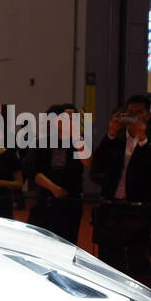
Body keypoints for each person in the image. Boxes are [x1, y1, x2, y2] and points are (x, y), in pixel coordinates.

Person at [91, 95, 151, 288]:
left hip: (138, 208)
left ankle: (145, 298)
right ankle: (108, 290)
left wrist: (143, 138)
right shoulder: (116, 138)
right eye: (130, 113)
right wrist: (111, 134)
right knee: (108, 256)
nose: (134, 117)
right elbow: (96, 167)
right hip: (111, 206)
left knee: (139, 256)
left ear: (147, 115)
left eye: (139, 113)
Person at [25, 103, 89, 243]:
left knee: (68, 245)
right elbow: (33, 172)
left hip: (71, 205)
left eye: (73, 119)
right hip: (45, 203)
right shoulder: (41, 142)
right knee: (41, 245)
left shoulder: (79, 142)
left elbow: (87, 162)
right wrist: (54, 189)